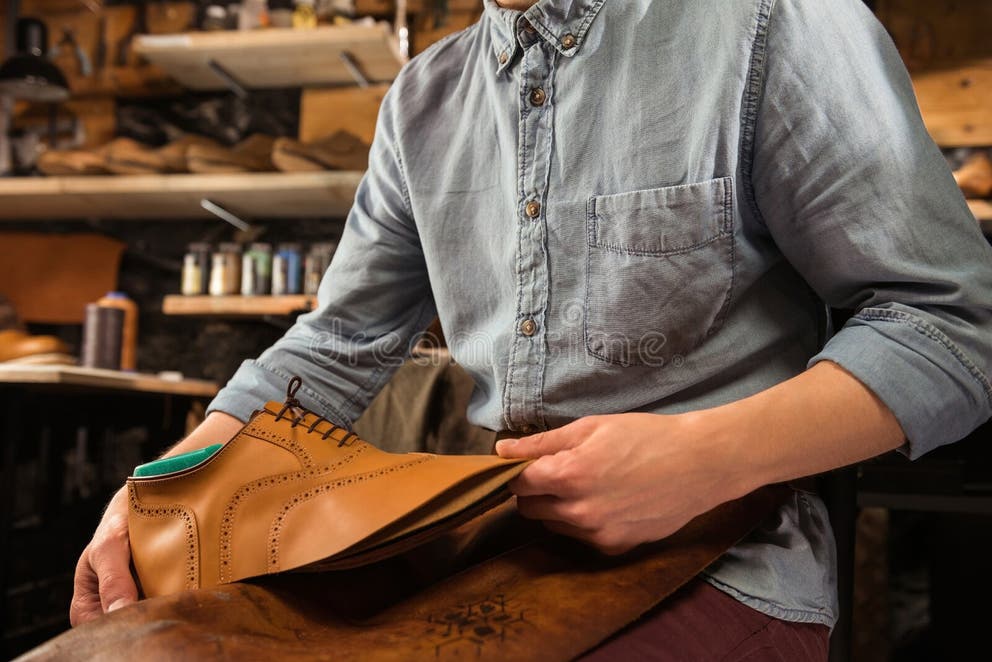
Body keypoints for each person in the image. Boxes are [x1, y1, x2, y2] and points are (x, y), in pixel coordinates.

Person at [71, 0, 992, 658]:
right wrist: (158, 491)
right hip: (490, 558)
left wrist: (700, 459)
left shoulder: (775, 24)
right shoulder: (422, 104)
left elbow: (954, 324)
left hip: (723, 561)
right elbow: (332, 346)